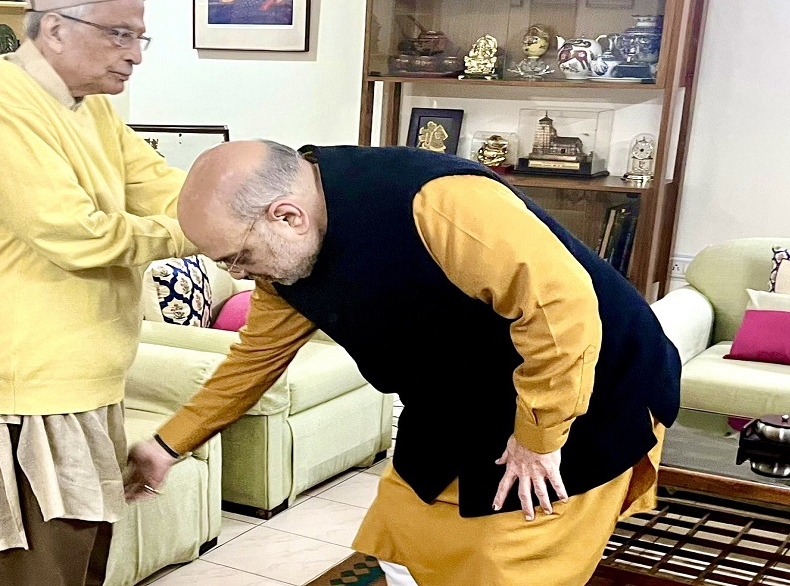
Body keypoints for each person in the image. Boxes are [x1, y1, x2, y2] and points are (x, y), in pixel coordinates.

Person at [125, 141, 682, 586]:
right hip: (458, 397)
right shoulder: (283, 269)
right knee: (402, 535)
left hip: (586, 390)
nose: (241, 276)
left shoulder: (435, 200)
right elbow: (255, 360)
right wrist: (169, 443)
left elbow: (563, 311)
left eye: (239, 257)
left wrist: (539, 438)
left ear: (287, 215)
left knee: (507, 559)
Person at [0, 0, 194, 586]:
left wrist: (236, 207)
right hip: (33, 382)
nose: (136, 53)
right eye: (120, 34)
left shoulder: (90, 103)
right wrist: (200, 233)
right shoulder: (1, 96)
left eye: (140, 35)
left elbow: (158, 184)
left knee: (85, 567)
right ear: (54, 29)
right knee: (44, 574)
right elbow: (73, 235)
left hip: (89, 377)